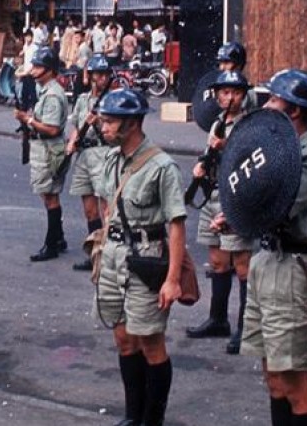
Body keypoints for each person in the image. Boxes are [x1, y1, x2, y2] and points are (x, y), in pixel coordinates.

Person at [215, 68, 307, 426]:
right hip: (266, 260)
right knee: (272, 375)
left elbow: (277, 207)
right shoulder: (279, 151)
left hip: (290, 270)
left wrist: (237, 216)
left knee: (294, 380)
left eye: (273, 99)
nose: (266, 105)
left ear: (294, 110)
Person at [93, 88, 186, 426]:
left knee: (150, 341)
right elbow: (106, 205)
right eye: (103, 120)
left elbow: (176, 225)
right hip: (113, 256)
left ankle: (152, 419)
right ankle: (133, 415)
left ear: (132, 123)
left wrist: (172, 279)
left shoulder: (162, 166)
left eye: (110, 121)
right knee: (123, 339)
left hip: (147, 259)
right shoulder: (112, 159)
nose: (103, 126)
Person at [187, 70, 255, 356]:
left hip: (236, 196)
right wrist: (202, 165)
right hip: (213, 193)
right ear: (217, 96)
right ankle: (218, 319)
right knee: (217, 260)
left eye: (236, 92)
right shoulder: (217, 123)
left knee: (241, 262)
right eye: (225, 92)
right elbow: (210, 154)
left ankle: (245, 326)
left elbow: (251, 160)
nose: (230, 98)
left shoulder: (249, 125)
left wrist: (226, 147)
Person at [14, 47, 69, 262]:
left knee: (49, 196)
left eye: (38, 67)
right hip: (44, 148)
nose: (34, 71)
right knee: (48, 194)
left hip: (49, 149)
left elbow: (52, 129)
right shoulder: (46, 90)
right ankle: (58, 237)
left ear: (49, 70)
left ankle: (51, 244)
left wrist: (27, 120)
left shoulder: (53, 94)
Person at [65, 54, 113, 272]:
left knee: (106, 208)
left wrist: (99, 123)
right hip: (83, 154)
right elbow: (77, 125)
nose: (101, 78)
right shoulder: (83, 100)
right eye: (97, 74)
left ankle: (109, 255)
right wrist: (72, 141)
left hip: (103, 152)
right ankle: (94, 253)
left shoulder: (112, 100)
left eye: (105, 74)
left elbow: (116, 133)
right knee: (89, 210)